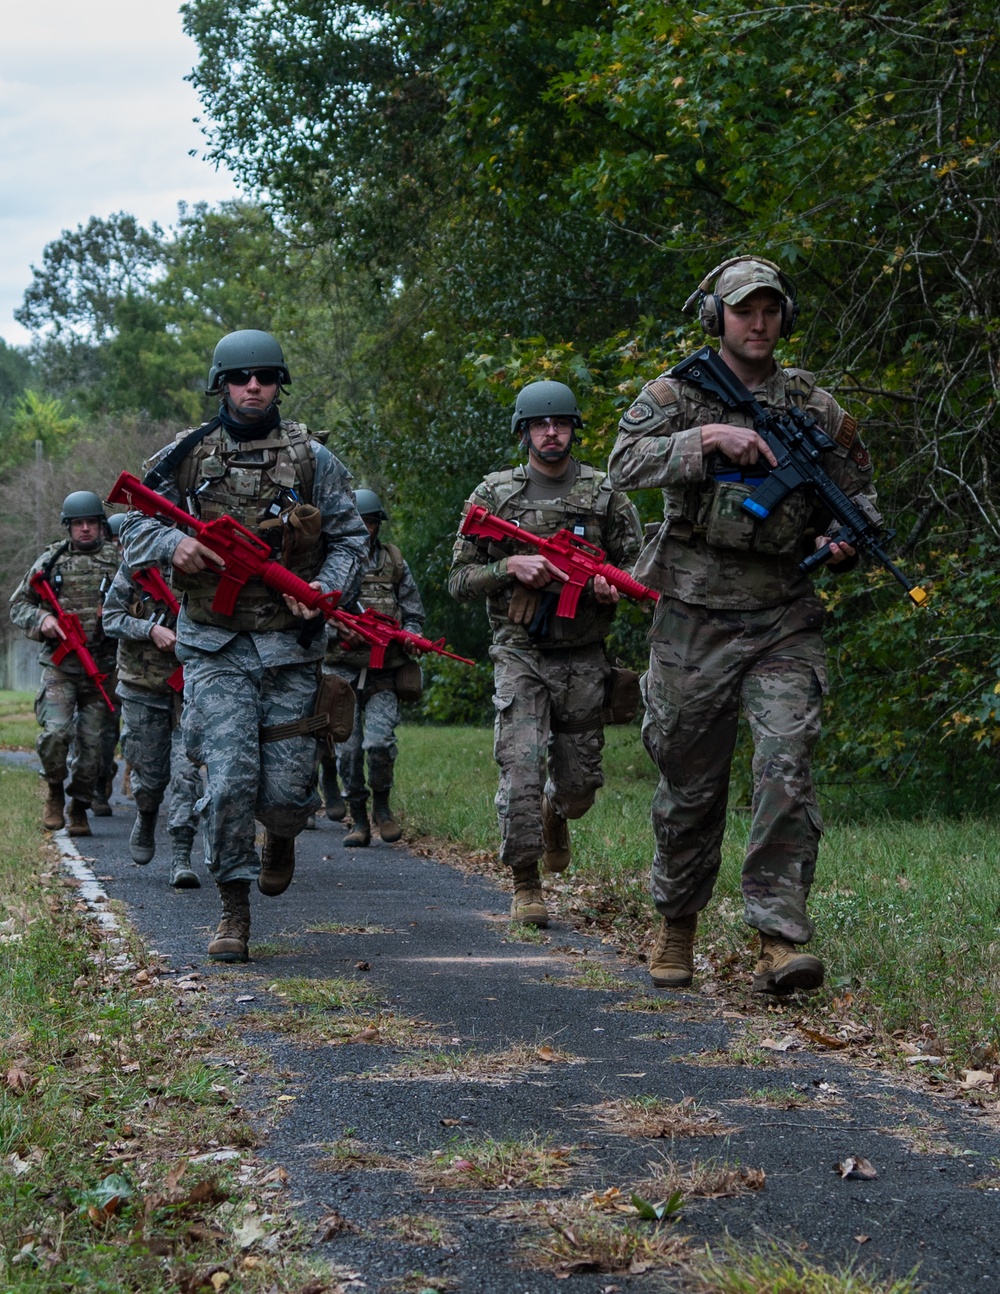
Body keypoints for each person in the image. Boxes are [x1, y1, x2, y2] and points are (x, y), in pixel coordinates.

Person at [608, 255, 877, 993]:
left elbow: (859, 494)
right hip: (693, 615)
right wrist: (706, 441)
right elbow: (622, 465)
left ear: (785, 317)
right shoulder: (677, 393)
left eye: (769, 310)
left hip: (784, 612)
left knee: (785, 764)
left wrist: (844, 540)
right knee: (689, 782)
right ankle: (677, 921)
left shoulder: (816, 408)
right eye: (743, 310)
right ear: (716, 317)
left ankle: (778, 938)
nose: (758, 323)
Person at [120, 329, 368, 963]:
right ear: (221, 385)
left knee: (286, 793)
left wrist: (325, 588)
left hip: (291, 648)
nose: (252, 386)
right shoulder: (185, 455)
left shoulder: (314, 460)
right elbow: (132, 526)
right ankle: (233, 907)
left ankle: (280, 835)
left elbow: (350, 540)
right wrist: (171, 543)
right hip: (214, 646)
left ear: (279, 383)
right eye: (239, 377)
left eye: (264, 376)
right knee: (228, 778)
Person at [449, 380, 642, 927]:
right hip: (519, 654)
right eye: (540, 424)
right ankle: (525, 882)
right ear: (524, 432)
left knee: (579, 789)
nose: (551, 432)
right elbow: (458, 580)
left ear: (573, 429)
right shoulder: (493, 495)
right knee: (520, 769)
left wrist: (612, 585)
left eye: (559, 423)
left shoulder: (606, 494)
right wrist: (509, 566)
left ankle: (556, 812)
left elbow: (639, 567)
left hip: (584, 655)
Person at [9, 491, 120, 837]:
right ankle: (55, 792)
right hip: (61, 668)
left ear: (101, 526)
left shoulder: (119, 562)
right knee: (56, 734)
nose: (85, 529)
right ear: (68, 527)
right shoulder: (50, 562)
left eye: (91, 523)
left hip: (102, 670)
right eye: (78, 523)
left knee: (94, 750)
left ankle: (79, 806)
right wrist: (42, 619)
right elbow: (18, 605)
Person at [322, 488, 426, 846]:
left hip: (384, 671)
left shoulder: (394, 562)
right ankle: (358, 818)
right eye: (357, 522)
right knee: (348, 750)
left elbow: (413, 612)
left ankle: (382, 807)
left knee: (379, 743)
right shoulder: (329, 564)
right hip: (341, 673)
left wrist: (411, 636)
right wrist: (339, 632)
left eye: (369, 522)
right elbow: (309, 616)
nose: (364, 529)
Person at [101, 555, 204, 887]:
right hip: (142, 688)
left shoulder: (206, 562)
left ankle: (181, 856)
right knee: (150, 777)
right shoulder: (135, 566)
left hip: (193, 689)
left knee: (187, 775)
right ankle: (146, 814)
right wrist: (150, 629)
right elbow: (110, 619)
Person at [91, 511, 126, 818]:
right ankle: (100, 780)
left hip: (133, 660)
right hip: (102, 660)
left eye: (123, 543)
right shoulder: (99, 569)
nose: (119, 549)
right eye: (114, 542)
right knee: (104, 729)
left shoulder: (136, 570)